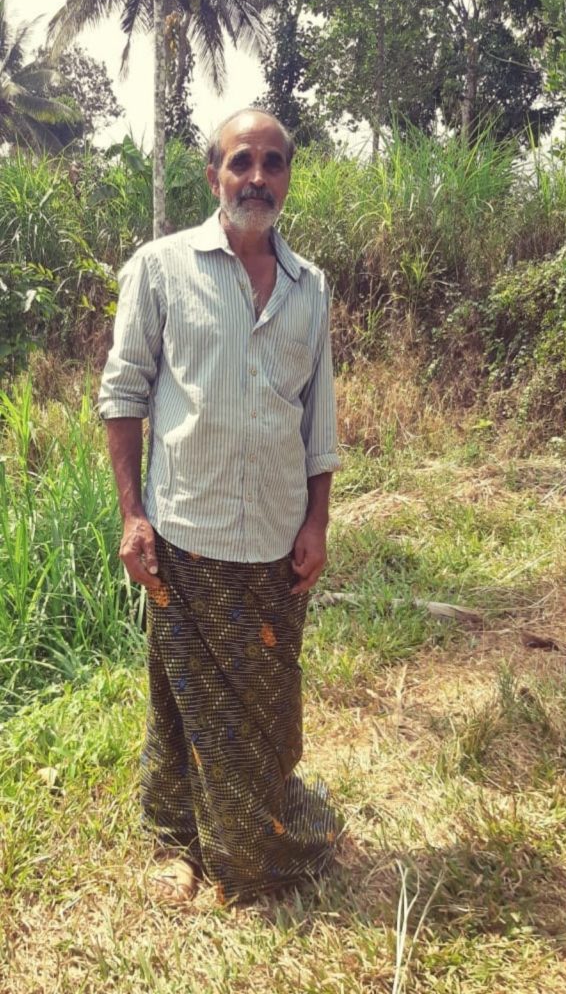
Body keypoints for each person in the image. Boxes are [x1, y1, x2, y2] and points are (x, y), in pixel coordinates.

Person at [98, 108, 341, 904]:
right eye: (242, 162)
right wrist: (134, 515)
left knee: (266, 718)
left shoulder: (311, 290)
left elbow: (319, 422)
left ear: (288, 178)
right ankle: (177, 843)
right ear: (215, 176)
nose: (258, 177)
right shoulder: (162, 268)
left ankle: (241, 833)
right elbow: (124, 392)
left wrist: (317, 522)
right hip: (186, 539)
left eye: (274, 163)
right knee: (179, 702)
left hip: (275, 544)